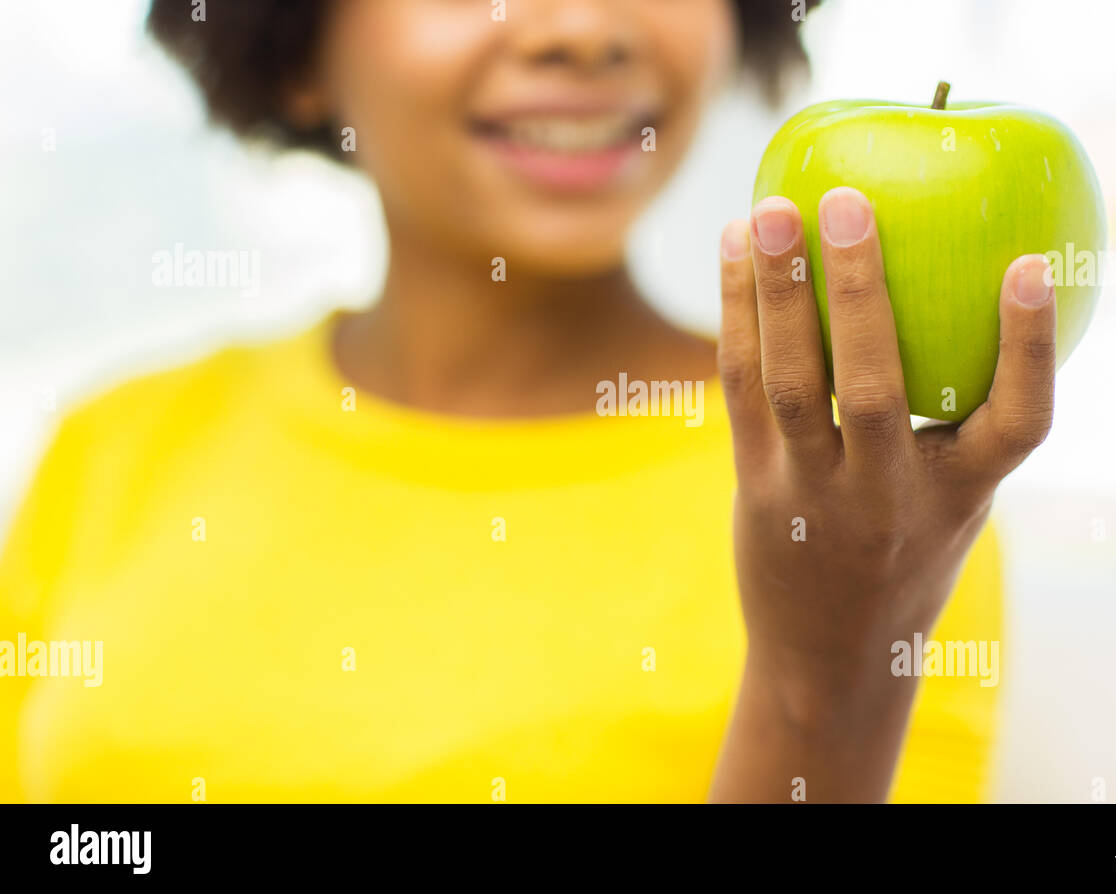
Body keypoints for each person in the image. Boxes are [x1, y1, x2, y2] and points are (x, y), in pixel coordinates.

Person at [0, 0, 1056, 802]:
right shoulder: (115, 448)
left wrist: (825, 676)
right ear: (299, 49)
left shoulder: (861, 498)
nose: (580, 28)